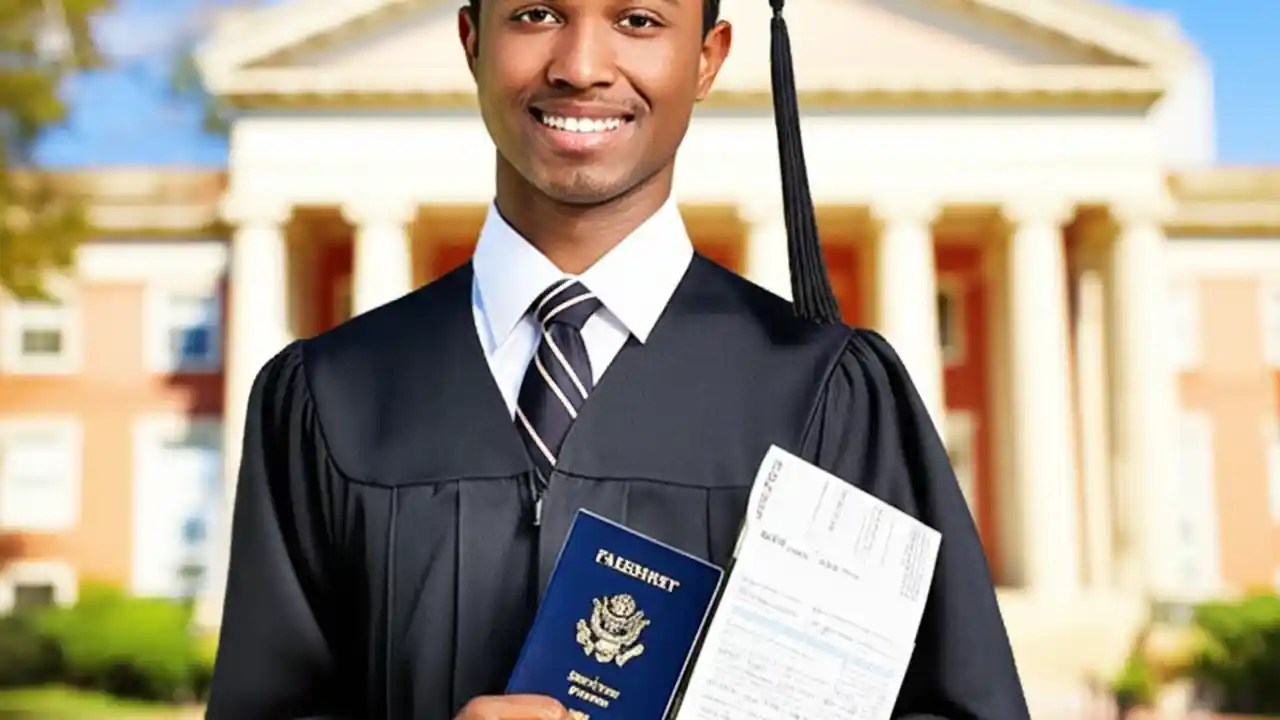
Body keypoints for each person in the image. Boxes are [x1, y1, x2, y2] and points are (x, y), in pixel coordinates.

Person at [205, 0, 1031, 718]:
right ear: (471, 41)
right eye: (535, 14)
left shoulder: (826, 393)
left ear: (707, 59)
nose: (581, 65)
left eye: (638, 20)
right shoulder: (329, 396)